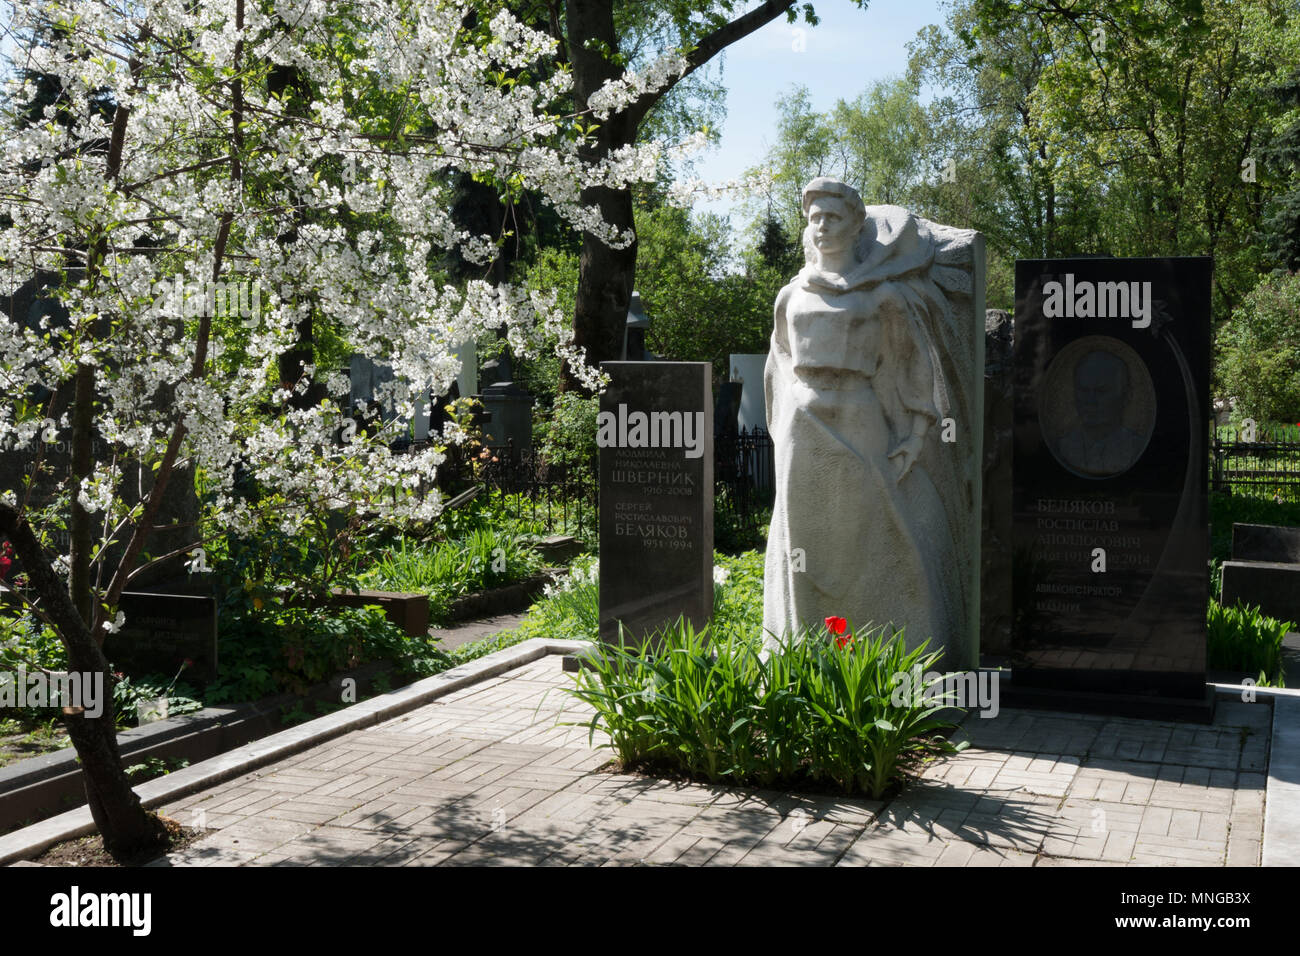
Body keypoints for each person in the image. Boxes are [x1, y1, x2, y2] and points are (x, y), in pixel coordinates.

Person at [763, 178, 964, 652]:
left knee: (881, 528)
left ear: (856, 226)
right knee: (803, 538)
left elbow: (914, 367)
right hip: (803, 427)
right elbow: (780, 364)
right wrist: (789, 416)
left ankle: (895, 647)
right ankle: (805, 649)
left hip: (860, 417)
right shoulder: (791, 296)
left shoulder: (882, 297)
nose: (822, 226)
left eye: (833, 217)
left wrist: (914, 437)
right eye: (815, 218)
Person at [1054, 349, 1145, 477]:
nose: (1090, 401)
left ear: (1125, 396)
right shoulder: (1062, 448)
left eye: (1101, 391)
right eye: (1084, 390)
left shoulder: (1137, 448)